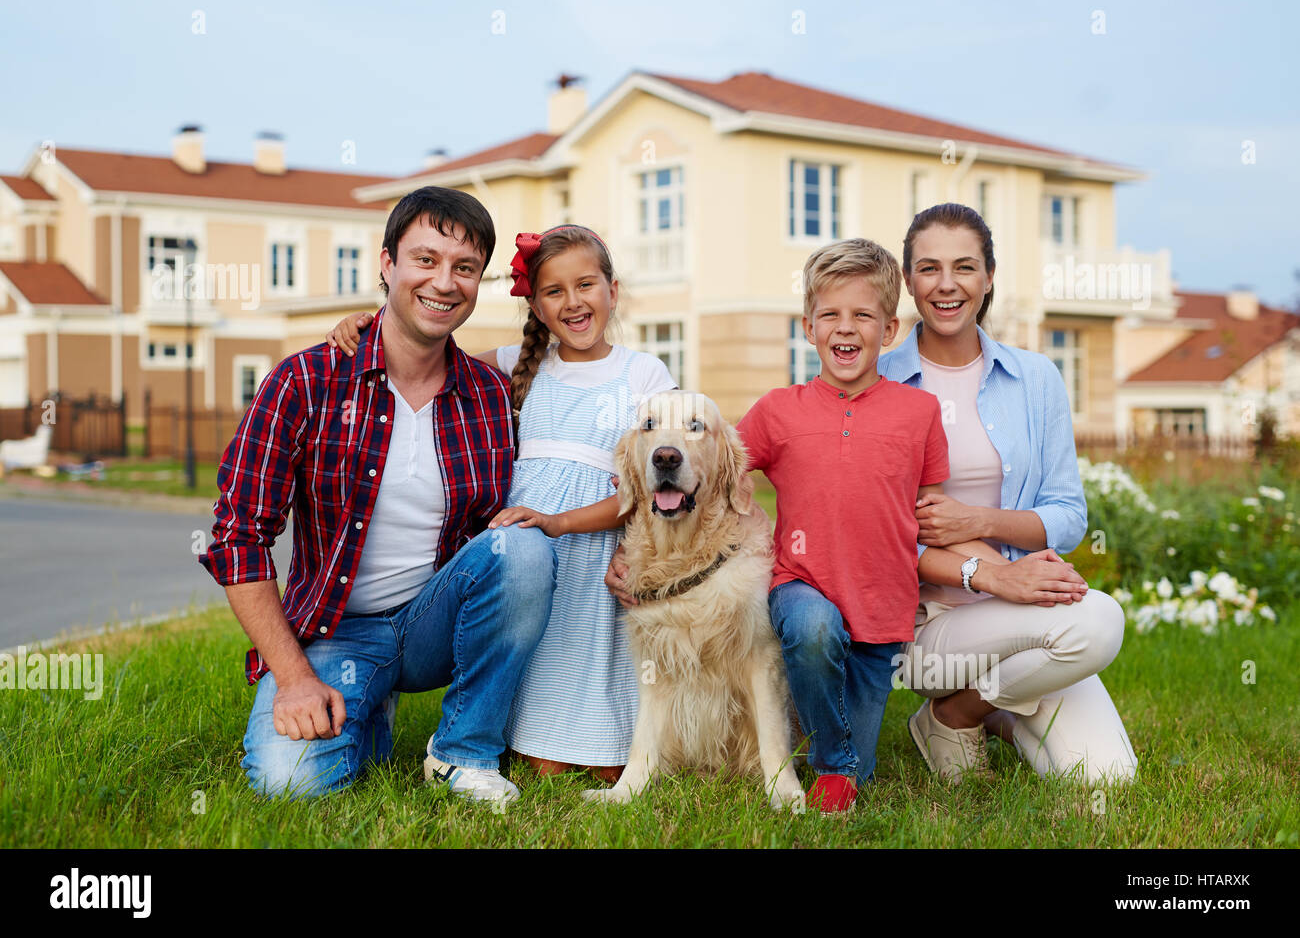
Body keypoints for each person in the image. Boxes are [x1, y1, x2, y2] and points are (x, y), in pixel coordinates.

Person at [200, 186, 557, 805]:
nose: (444, 283)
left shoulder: (490, 395)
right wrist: (294, 679)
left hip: (435, 622)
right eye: (425, 260)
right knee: (291, 786)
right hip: (339, 629)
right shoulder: (305, 382)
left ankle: (462, 751)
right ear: (387, 264)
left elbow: (575, 369)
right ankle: (364, 700)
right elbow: (238, 538)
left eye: (464, 268)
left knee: (522, 551)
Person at [328, 225, 676, 780]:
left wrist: (563, 522)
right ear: (535, 304)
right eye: (553, 292)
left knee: (590, 672)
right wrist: (368, 320)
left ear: (613, 288)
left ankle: (595, 738)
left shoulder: (643, 373)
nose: (572, 302)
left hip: (592, 547)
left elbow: (649, 489)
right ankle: (500, 737)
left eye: (585, 284)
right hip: (526, 547)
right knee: (530, 655)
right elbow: (425, 350)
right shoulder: (516, 362)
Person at [878, 202, 1138, 784]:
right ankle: (957, 704)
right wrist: (987, 572)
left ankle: (963, 712)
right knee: (1096, 617)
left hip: (1026, 607)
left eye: (965, 267)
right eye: (929, 268)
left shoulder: (1035, 377)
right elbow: (873, 534)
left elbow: (1068, 516)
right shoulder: (880, 381)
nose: (947, 285)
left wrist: (977, 520)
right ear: (908, 281)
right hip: (930, 624)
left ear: (989, 276)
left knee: (1106, 779)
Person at [728, 237, 952, 813]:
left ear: (891, 329)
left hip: (884, 608)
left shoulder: (919, 413)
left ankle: (829, 754)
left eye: (862, 315)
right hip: (801, 585)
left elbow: (932, 514)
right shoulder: (779, 410)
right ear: (808, 327)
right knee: (815, 632)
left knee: (864, 766)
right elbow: (718, 467)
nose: (845, 328)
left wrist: (992, 569)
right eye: (830, 314)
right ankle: (831, 767)